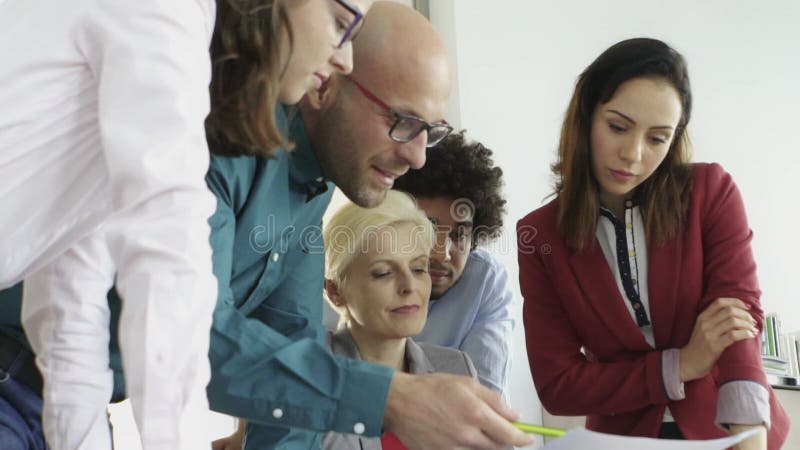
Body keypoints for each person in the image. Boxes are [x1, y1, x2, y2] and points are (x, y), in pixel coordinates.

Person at [0, 0, 369, 448]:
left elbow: (69, 294)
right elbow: (165, 280)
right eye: (340, 23)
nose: (345, 58)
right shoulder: (161, 17)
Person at [517, 37, 789, 449]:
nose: (633, 154)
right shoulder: (540, 237)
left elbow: (737, 316)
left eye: (657, 138)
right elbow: (560, 385)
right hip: (623, 440)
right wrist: (679, 366)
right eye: (618, 127)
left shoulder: (709, 192)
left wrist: (749, 435)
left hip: (726, 429)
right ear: (586, 117)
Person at [323, 191, 478, 449]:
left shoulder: (456, 368)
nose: (409, 286)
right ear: (335, 292)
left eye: (419, 268)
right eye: (383, 273)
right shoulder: (305, 376)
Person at [392, 131, 514, 396]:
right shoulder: (349, 277)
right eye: (426, 232)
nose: (442, 254)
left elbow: (482, 399)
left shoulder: (484, 280)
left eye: (460, 235)